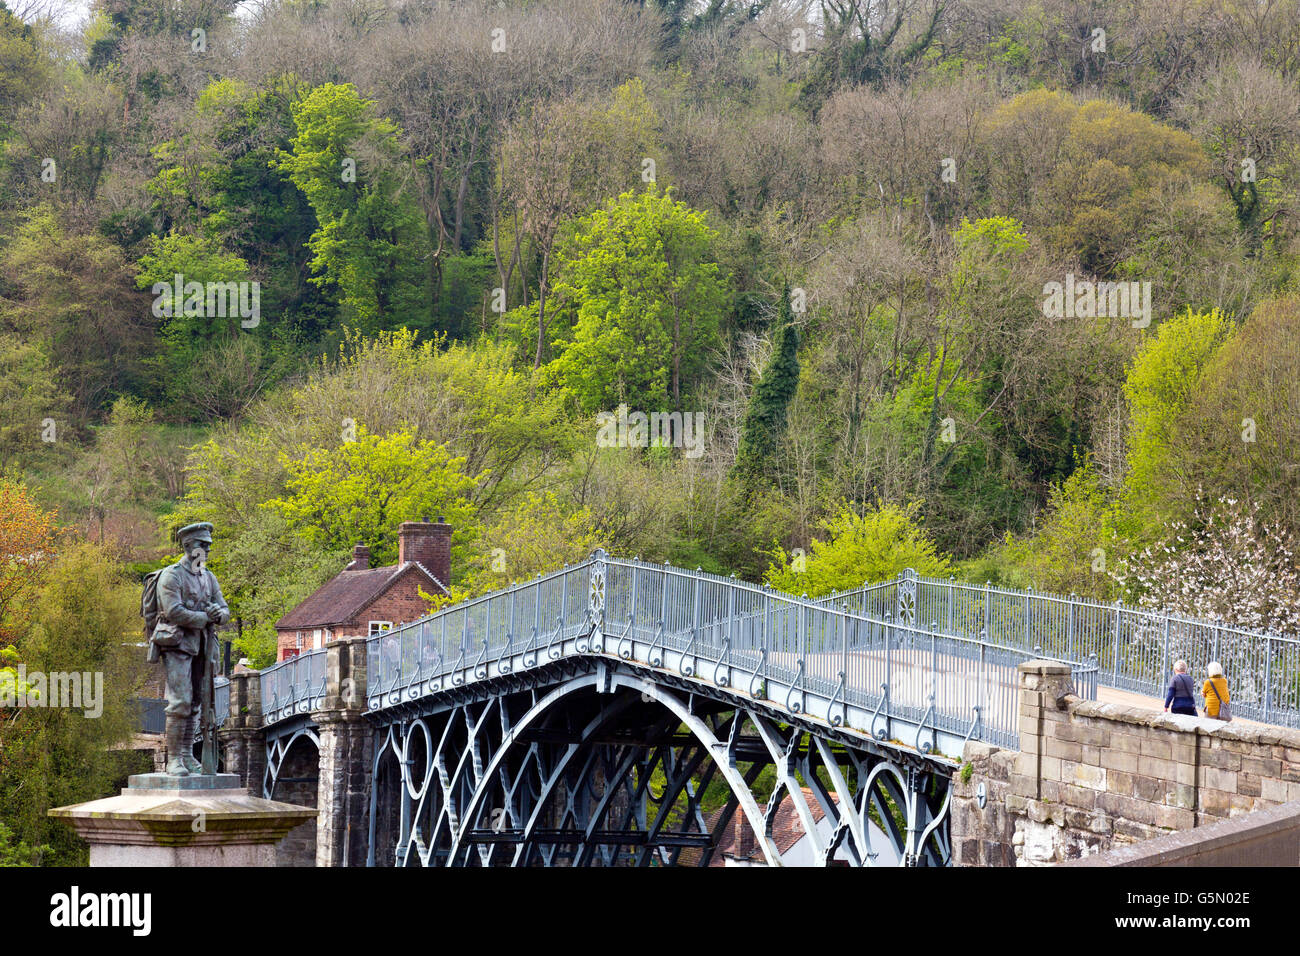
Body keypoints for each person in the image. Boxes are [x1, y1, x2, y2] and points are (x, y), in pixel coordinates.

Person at [150, 522, 230, 775]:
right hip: (178, 645)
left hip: (203, 646)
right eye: (202, 545)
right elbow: (174, 612)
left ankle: (186, 754)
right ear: (188, 546)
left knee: (197, 701)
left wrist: (220, 614)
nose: (207, 549)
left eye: (208, 546)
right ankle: (173, 759)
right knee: (180, 702)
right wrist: (205, 617)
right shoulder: (172, 575)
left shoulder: (208, 577)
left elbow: (225, 609)